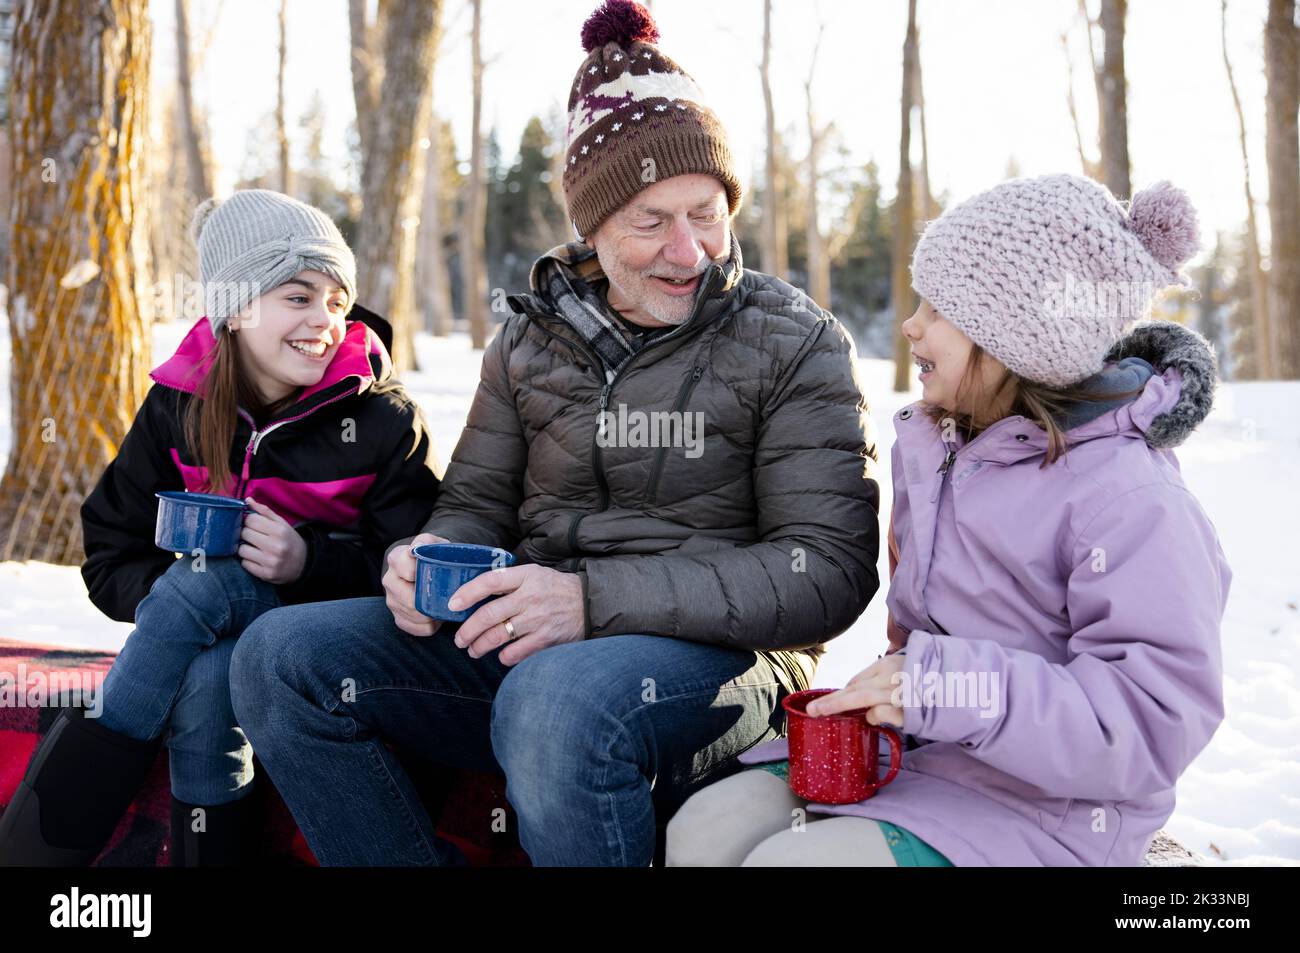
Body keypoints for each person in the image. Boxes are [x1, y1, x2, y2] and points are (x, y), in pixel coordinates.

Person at [227, 0, 880, 866]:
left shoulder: (792, 340)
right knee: (278, 656)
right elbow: (474, 506)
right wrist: (428, 559)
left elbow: (827, 573)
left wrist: (590, 601)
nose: (689, 252)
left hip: (725, 665)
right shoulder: (531, 339)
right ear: (593, 229)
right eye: (651, 222)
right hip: (537, 641)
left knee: (558, 700)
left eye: (707, 213)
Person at [667, 174, 1232, 866]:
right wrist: (888, 691)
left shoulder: (1131, 500)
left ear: (1020, 340)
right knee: (705, 827)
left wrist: (943, 686)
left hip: (1051, 809)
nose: (911, 325)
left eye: (939, 308)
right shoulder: (944, 449)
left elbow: (1148, 727)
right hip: (924, 762)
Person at [0, 189, 442, 866]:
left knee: (206, 586)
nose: (323, 319)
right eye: (298, 296)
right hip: (210, 645)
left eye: (335, 298)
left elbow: (410, 576)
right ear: (235, 307)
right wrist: (177, 617)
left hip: (324, 647)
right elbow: (109, 551)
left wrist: (308, 559)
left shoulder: (379, 418)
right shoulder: (178, 405)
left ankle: (33, 852)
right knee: (206, 667)